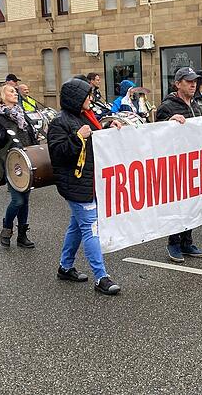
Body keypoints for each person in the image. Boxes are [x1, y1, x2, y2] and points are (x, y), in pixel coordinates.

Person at [48, 77, 122, 295]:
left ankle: (65, 266)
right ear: (76, 98)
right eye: (87, 95)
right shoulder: (59, 122)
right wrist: (77, 137)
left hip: (90, 182)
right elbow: (58, 153)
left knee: (77, 226)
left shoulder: (84, 117)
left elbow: (96, 138)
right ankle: (101, 277)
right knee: (90, 228)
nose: (91, 99)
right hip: (76, 184)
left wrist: (108, 125)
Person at [155, 67, 202, 262]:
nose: (193, 84)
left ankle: (187, 241)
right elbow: (156, 135)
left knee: (192, 204)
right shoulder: (167, 107)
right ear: (178, 84)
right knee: (178, 205)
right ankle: (174, 242)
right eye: (188, 81)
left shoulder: (197, 105)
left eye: (194, 81)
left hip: (194, 162)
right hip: (176, 165)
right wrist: (168, 122)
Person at [0, 84, 37, 249]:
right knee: (18, 200)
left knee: (25, 200)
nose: (15, 93)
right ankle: (7, 228)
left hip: (27, 161)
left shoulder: (22, 114)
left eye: (15, 91)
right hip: (9, 162)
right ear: (1, 96)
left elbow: (31, 136)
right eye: (11, 91)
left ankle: (22, 235)